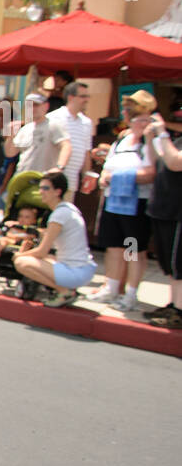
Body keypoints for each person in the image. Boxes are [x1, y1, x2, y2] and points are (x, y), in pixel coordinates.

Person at [87, 95, 158, 313]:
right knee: (114, 247)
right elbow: (109, 165)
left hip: (135, 205)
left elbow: (150, 173)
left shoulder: (150, 143)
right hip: (113, 201)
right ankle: (112, 287)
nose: (131, 119)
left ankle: (130, 293)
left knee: (133, 250)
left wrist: (117, 177)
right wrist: (104, 176)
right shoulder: (122, 139)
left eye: (139, 117)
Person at [13, 170, 96, 307]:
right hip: (83, 268)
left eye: (45, 188)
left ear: (57, 192)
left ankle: (64, 292)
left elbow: (41, 251)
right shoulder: (69, 209)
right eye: (40, 187)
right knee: (41, 259)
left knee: (21, 262)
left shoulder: (59, 214)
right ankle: (67, 290)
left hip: (76, 272)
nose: (41, 191)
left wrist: (18, 255)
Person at [145, 105, 182, 328]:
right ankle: (173, 304)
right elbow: (157, 160)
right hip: (164, 209)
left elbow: (175, 162)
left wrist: (162, 133)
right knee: (169, 263)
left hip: (179, 213)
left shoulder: (171, 140)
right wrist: (151, 138)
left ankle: (179, 311)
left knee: (179, 264)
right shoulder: (173, 140)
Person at [46, 81, 94, 202]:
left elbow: (86, 152)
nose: (87, 99)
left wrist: (86, 176)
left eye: (87, 96)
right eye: (83, 96)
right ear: (71, 97)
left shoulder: (87, 122)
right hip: (53, 181)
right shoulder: (54, 117)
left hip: (72, 182)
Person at [5, 93, 68, 176]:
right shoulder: (25, 129)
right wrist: (11, 136)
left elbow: (66, 146)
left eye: (36, 105)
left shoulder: (53, 125)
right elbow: (10, 153)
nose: (32, 108)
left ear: (46, 106)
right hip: (22, 178)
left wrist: (59, 168)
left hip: (42, 178)